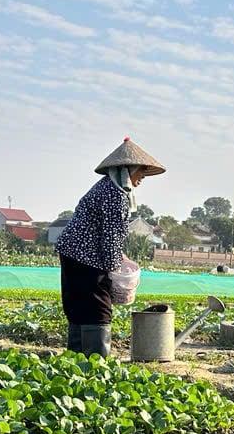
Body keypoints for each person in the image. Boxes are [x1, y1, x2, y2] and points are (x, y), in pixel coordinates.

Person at [55, 137, 165, 356]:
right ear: (127, 169)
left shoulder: (103, 187)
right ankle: (96, 362)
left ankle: (75, 361)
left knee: (78, 307)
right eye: (140, 173)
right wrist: (114, 272)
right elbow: (111, 237)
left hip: (72, 253)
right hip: (87, 257)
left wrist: (116, 259)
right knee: (98, 308)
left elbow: (107, 232)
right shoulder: (115, 195)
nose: (141, 178)